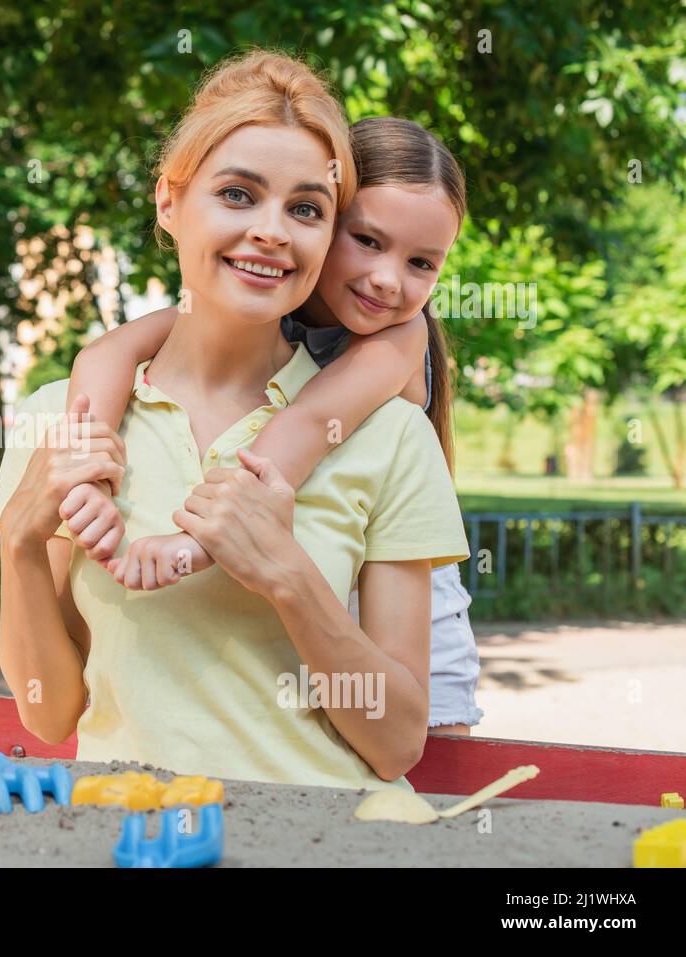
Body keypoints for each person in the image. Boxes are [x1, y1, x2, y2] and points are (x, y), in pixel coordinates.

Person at [0, 49, 469, 789]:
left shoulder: (387, 428)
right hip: (135, 833)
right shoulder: (61, 415)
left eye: (306, 209)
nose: (273, 231)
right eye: (238, 195)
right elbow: (49, 716)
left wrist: (288, 576)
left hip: (330, 836)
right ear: (169, 202)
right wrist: (21, 539)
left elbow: (400, 743)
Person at [64, 116, 484, 734]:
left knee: (425, 781)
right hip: (307, 566)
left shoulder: (399, 335)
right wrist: (86, 481)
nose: (389, 280)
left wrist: (198, 543)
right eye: (367, 241)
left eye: (422, 262)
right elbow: (104, 356)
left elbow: (310, 424)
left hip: (400, 606)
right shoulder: (262, 300)